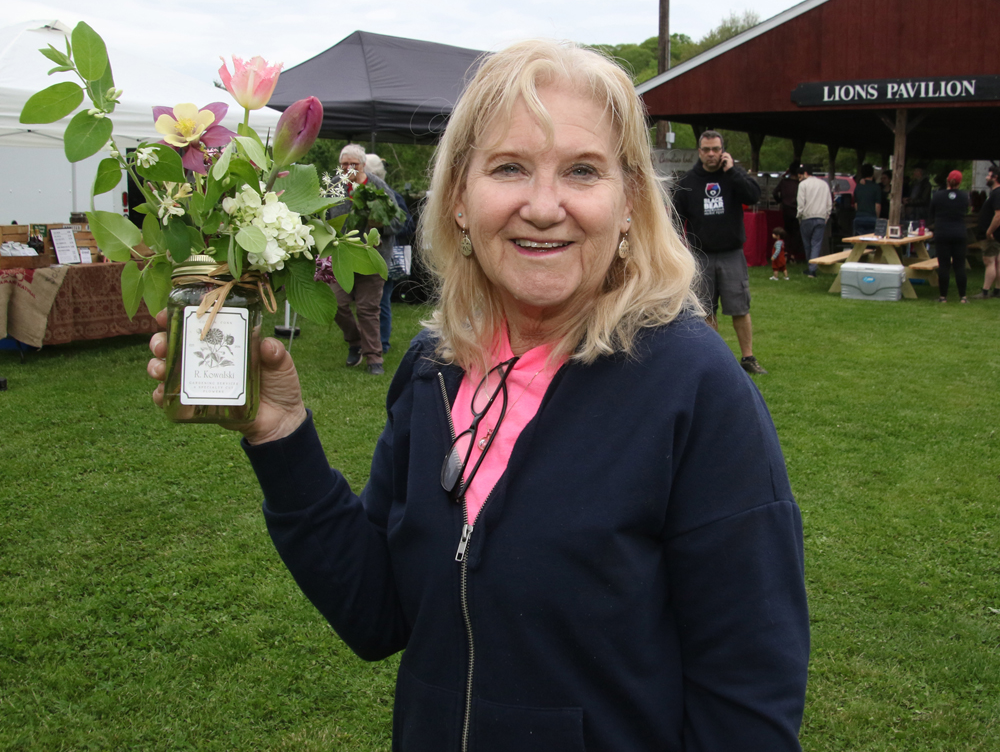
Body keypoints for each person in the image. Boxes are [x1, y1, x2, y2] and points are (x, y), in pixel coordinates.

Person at [147, 39, 809, 751]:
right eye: (509, 167)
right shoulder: (434, 367)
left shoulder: (695, 386)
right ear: (460, 200)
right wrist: (281, 433)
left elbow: (749, 696)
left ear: (629, 204)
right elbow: (377, 613)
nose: (543, 206)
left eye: (583, 171)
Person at [672, 131, 769, 375]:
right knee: (705, 311)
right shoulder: (688, 181)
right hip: (701, 257)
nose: (711, 154)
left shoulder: (733, 176)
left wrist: (732, 171)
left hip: (731, 254)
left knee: (740, 308)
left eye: (716, 149)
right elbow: (674, 220)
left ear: (723, 151)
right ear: (699, 151)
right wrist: (679, 251)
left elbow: (753, 196)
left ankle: (748, 357)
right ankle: (713, 361)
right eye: (706, 149)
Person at [326, 144, 398, 375]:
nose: (348, 168)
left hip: (371, 259)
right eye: (344, 164)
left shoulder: (378, 187)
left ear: (363, 165)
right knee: (336, 303)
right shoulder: (334, 187)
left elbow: (399, 221)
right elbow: (322, 217)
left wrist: (381, 225)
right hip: (342, 258)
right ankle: (355, 341)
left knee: (368, 309)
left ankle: (374, 358)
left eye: (353, 164)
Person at [365, 153, 415, 354]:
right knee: (367, 303)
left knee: (381, 301)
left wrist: (383, 228)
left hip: (385, 257)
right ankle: (368, 341)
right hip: (364, 257)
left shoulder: (392, 196)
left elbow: (407, 225)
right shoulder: (357, 196)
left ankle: (382, 343)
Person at [928, 170, 970, 303]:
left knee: (944, 265)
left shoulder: (937, 196)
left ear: (947, 180)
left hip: (942, 233)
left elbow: (931, 214)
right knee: (960, 265)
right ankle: (963, 297)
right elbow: (966, 210)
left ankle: (943, 297)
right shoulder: (964, 196)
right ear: (960, 182)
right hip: (959, 233)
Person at [796, 164, 833, 277]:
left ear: (805, 173)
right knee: (816, 244)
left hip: (807, 217)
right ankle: (812, 269)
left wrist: (799, 216)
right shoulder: (824, 184)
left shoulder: (803, 184)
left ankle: (811, 267)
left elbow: (801, 203)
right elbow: (829, 203)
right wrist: (826, 216)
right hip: (821, 217)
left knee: (807, 244)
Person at [973, 165, 1000, 299]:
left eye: (989, 175)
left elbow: (998, 215)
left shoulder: (997, 193)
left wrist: (989, 231)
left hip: (993, 234)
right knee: (997, 261)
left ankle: (985, 291)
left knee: (989, 261)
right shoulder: (995, 193)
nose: (986, 177)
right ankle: (997, 290)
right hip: (996, 233)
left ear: (995, 177)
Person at [773, 162, 803, 259]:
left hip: (786, 209)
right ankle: (793, 254)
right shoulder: (800, 184)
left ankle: (786, 251)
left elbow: (774, 192)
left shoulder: (784, 182)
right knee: (796, 233)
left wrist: (780, 200)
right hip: (797, 209)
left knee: (787, 231)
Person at [852, 163, 880, 236]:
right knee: (872, 239)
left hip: (859, 218)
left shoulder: (858, 187)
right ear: (872, 173)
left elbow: (856, 204)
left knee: (858, 239)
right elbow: (877, 205)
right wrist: (877, 217)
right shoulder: (876, 187)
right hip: (872, 217)